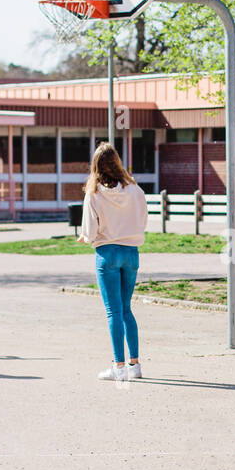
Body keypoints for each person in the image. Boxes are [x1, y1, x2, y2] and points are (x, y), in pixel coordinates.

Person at [77, 142, 148, 382]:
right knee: (127, 309)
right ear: (117, 162)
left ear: (95, 166)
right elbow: (142, 218)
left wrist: (86, 237)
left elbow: (90, 230)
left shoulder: (94, 192)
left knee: (113, 312)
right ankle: (135, 365)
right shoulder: (134, 189)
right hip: (131, 252)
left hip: (107, 253)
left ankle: (118, 367)